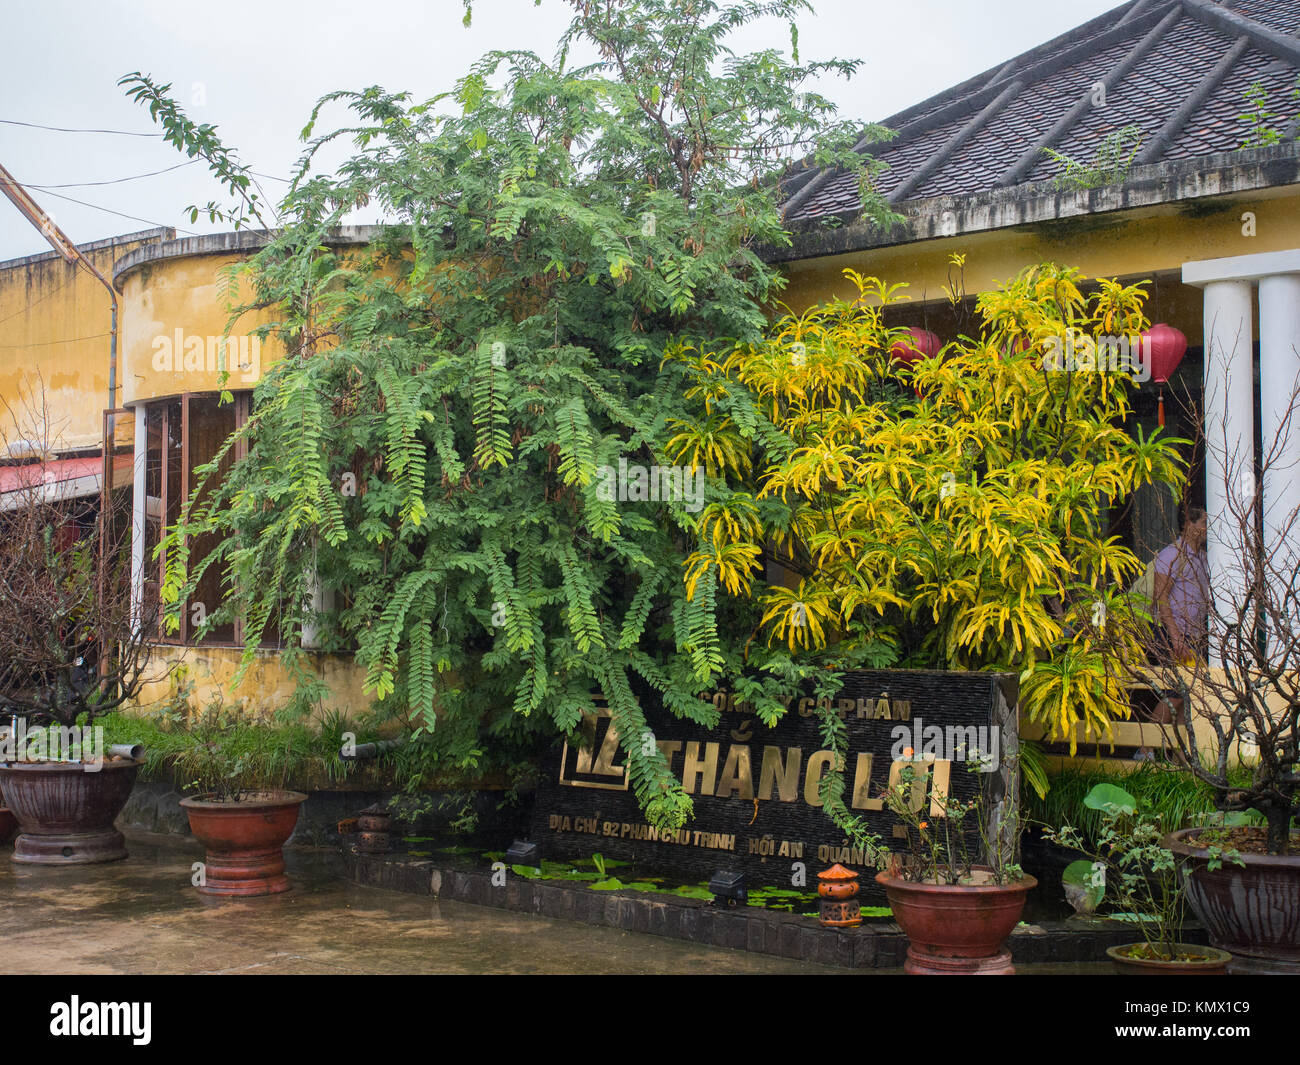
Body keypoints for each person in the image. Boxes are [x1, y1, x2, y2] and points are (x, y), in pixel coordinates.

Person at [1152, 507, 1209, 663]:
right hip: (1174, 637)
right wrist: (1175, 637)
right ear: (1188, 525)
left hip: (1196, 637)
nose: (1208, 528)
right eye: (1204, 523)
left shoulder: (1204, 557)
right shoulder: (1171, 554)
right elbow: (1160, 596)